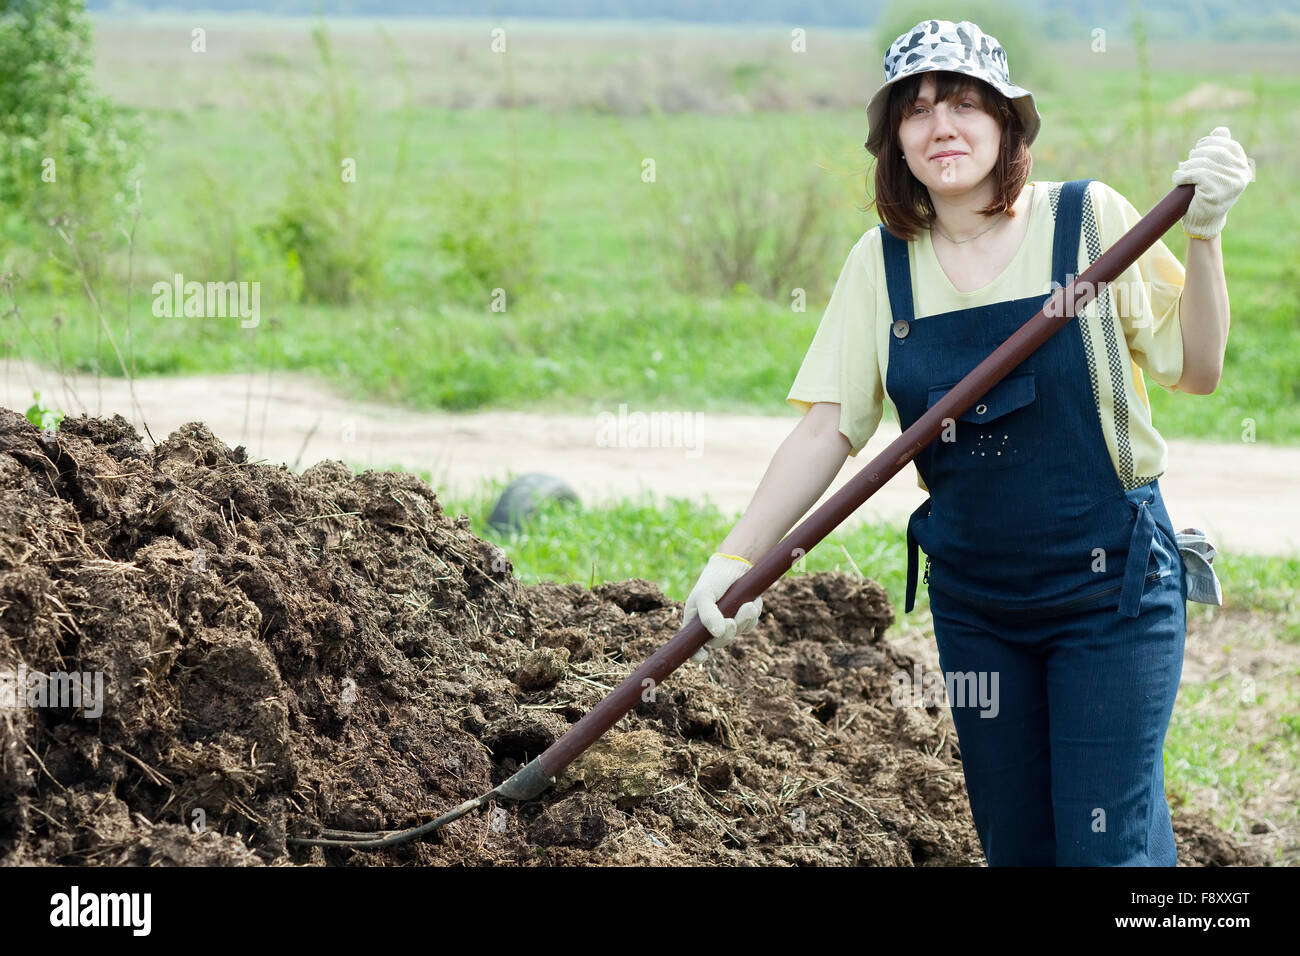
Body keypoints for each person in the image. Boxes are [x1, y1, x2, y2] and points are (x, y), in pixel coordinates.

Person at [681, 18, 1251, 866]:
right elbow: (828, 426)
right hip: (978, 605)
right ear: (894, 142)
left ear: (1007, 121)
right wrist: (735, 557)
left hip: (1112, 593)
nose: (941, 125)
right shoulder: (883, 265)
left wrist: (1202, 236)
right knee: (1017, 847)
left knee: (1106, 848)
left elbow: (1198, 369)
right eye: (915, 111)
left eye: (964, 103)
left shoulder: (1088, 221)